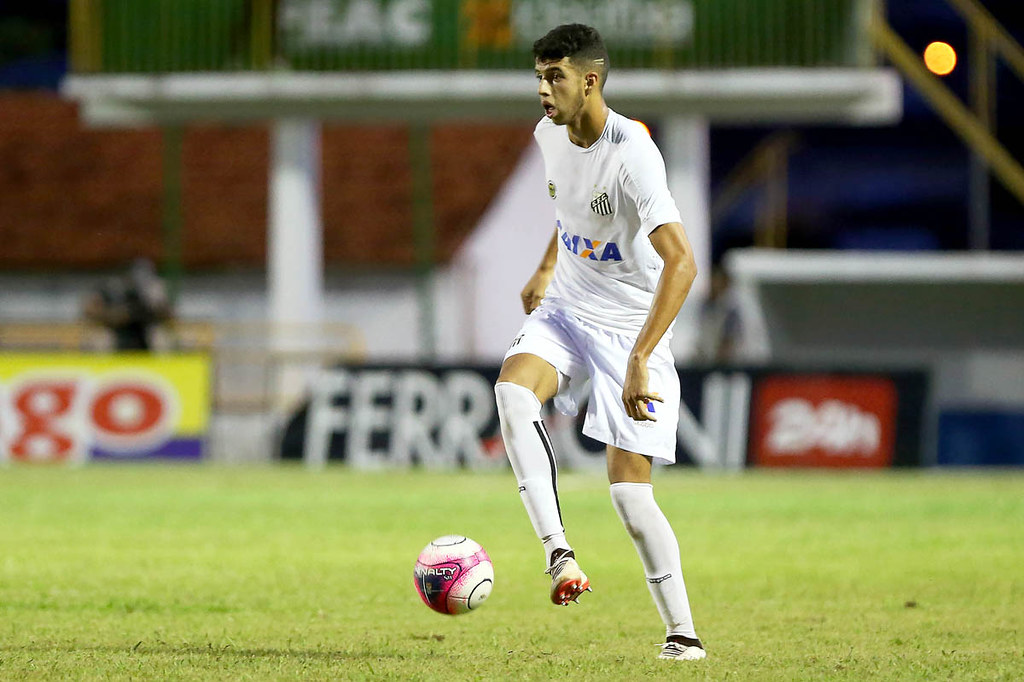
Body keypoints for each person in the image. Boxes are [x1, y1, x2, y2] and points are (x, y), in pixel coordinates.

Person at [493, 24, 705, 662]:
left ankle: (683, 636)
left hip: (627, 327)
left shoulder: (634, 152)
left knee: (630, 498)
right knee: (511, 394)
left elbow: (683, 262)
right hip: (566, 307)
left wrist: (641, 358)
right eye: (537, 76)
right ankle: (558, 554)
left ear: (589, 79)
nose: (542, 90)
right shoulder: (547, 135)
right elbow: (573, 213)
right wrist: (544, 267)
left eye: (553, 76)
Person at [83, 259, 172, 351]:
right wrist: (115, 315)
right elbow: (89, 310)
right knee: (101, 338)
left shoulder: (152, 291)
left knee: (160, 337)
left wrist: (152, 308)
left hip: (145, 330)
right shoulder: (113, 288)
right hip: (115, 330)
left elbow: (167, 314)